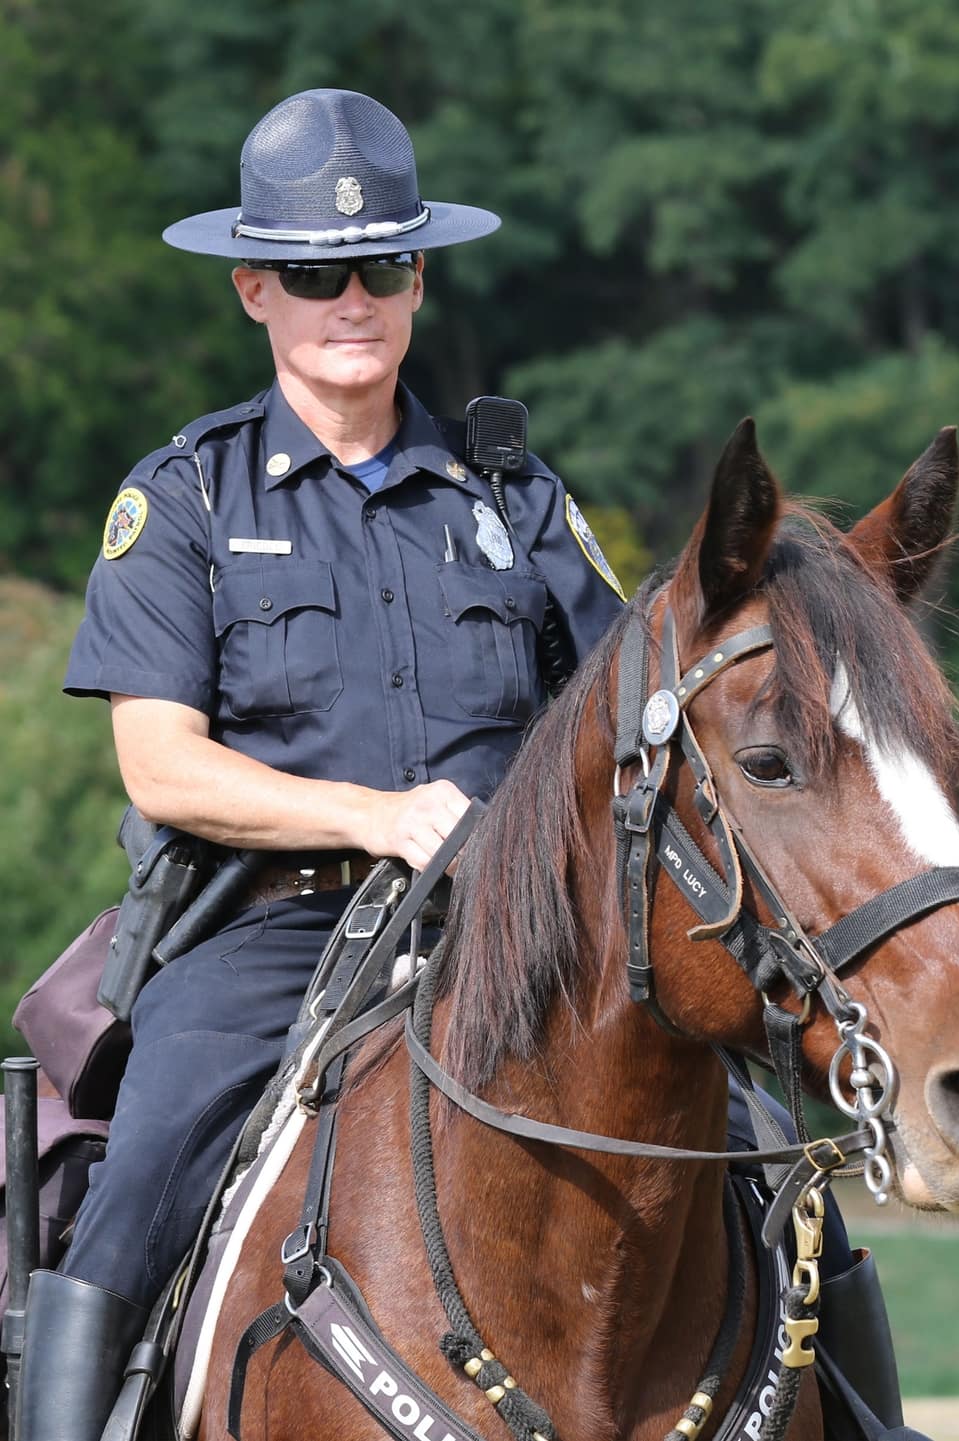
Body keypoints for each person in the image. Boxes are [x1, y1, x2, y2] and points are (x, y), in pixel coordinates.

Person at [17, 88, 626, 1440]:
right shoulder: (184, 497)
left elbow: (621, 711)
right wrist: (379, 814)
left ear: (420, 277)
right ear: (254, 289)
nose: (354, 298)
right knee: (154, 1152)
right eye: (314, 272)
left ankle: (864, 1414)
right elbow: (162, 764)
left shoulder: (513, 495)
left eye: (387, 265)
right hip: (273, 929)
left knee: (748, 1125)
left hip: (512, 927)